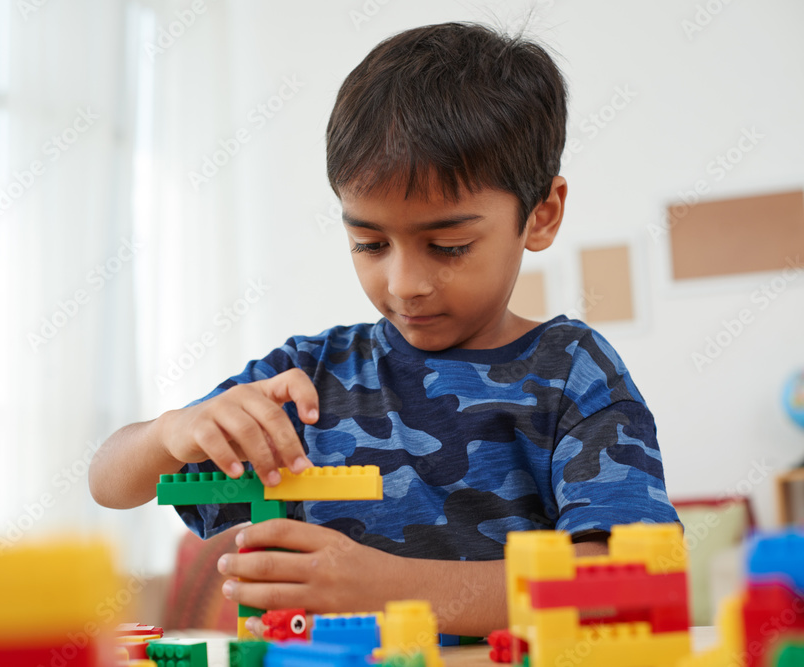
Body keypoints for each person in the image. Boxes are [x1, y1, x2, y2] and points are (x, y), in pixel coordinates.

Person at [89, 21, 680, 636]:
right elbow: (110, 480)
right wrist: (172, 431)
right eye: (369, 243)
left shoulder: (570, 371)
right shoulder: (304, 381)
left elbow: (633, 583)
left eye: (448, 245)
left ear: (541, 214)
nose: (403, 283)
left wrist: (390, 587)